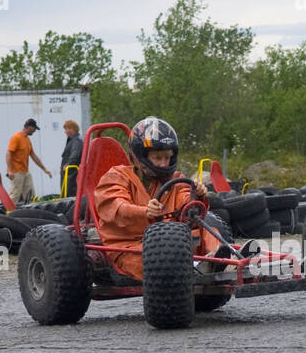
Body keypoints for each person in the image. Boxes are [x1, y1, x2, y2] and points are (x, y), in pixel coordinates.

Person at [94, 117, 229, 280]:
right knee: (160, 254)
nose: (164, 164)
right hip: (130, 248)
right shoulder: (116, 177)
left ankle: (223, 261)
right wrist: (145, 212)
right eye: (158, 158)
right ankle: (195, 268)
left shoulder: (175, 179)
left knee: (206, 231)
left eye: (168, 158)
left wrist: (197, 195)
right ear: (137, 158)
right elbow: (116, 207)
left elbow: (185, 203)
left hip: (172, 242)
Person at [6, 118, 52, 205]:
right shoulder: (16, 137)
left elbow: (33, 156)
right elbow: (8, 153)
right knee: (15, 195)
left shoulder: (27, 139)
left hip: (25, 172)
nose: (34, 131)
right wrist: (9, 170)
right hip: (16, 172)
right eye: (34, 129)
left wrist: (44, 169)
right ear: (30, 127)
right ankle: (7, 215)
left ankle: (29, 214)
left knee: (30, 195)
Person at [60, 120, 83, 198]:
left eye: (68, 129)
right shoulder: (71, 140)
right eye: (65, 129)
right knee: (65, 194)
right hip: (68, 173)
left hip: (72, 174)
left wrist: (67, 165)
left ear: (74, 129)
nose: (66, 131)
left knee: (70, 195)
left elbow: (75, 155)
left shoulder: (76, 140)